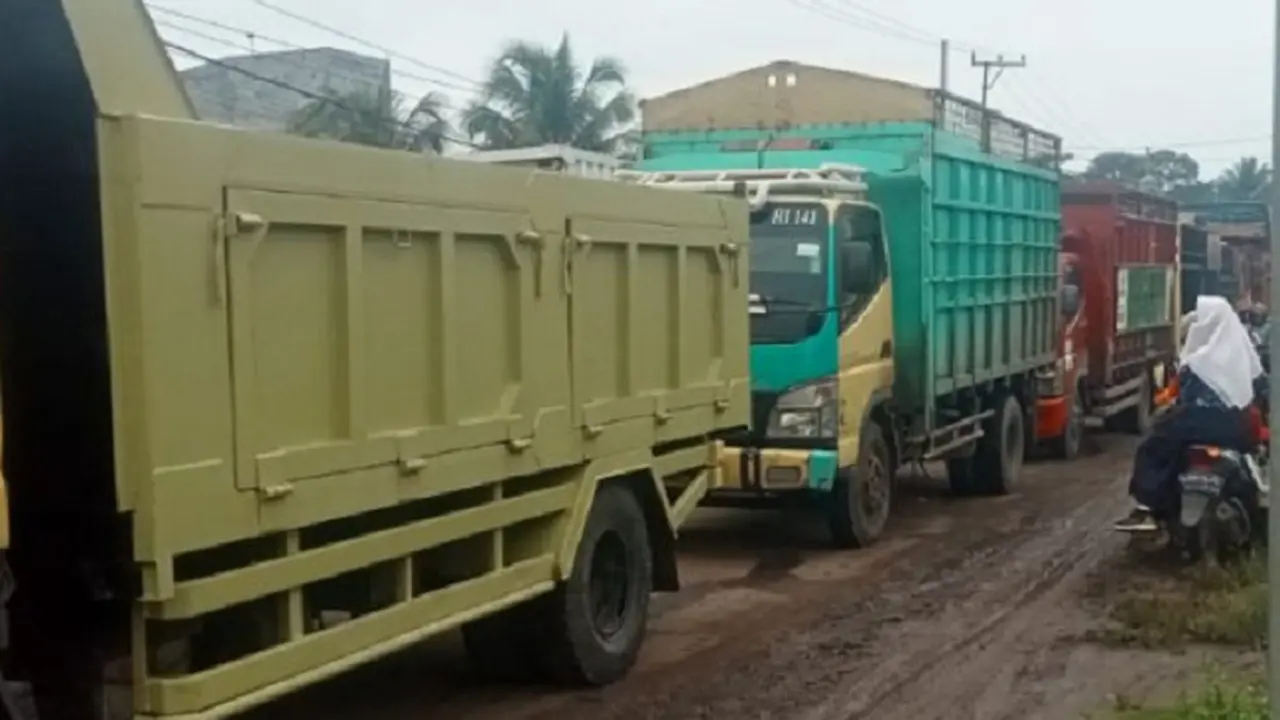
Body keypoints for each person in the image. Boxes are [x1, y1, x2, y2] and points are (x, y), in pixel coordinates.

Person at [1114, 296, 1266, 532]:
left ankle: (1147, 507)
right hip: (1235, 428)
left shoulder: (1197, 361)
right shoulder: (1244, 355)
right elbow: (1261, 388)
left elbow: (1184, 397)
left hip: (1194, 425)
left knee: (1152, 448)